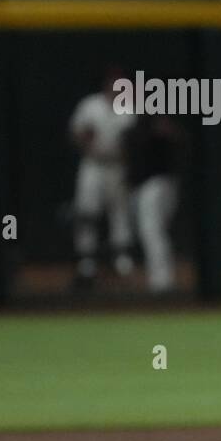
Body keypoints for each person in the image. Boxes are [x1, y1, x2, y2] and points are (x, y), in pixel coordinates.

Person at [68, 66, 135, 288]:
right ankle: (86, 260)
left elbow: (132, 141)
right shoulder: (91, 104)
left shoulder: (129, 107)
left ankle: (121, 258)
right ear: (106, 85)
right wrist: (85, 141)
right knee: (86, 211)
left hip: (117, 166)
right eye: (113, 83)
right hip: (93, 165)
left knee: (120, 212)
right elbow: (77, 132)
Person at [127, 111, 185, 294]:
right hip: (144, 185)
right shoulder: (135, 124)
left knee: (152, 231)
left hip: (157, 184)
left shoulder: (155, 122)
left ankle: (162, 281)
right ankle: (160, 278)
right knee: (152, 232)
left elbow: (175, 136)